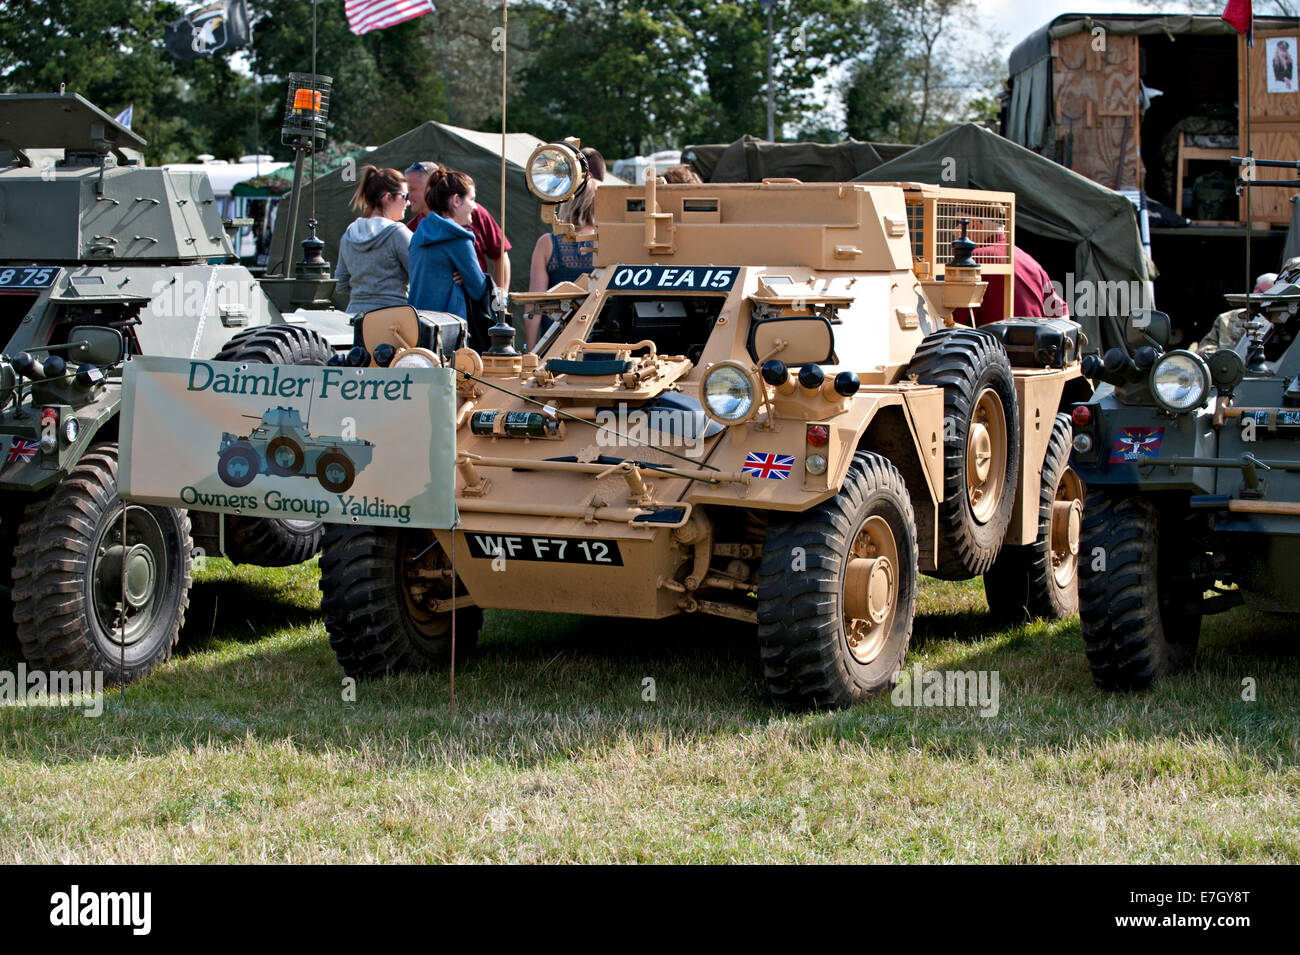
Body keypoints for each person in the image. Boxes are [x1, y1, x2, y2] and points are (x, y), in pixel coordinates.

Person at [407, 160, 512, 291]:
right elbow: (478, 288)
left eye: (412, 189)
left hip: (456, 307)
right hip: (449, 308)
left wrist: (501, 298)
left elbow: (500, 252)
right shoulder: (412, 231)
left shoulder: (476, 214)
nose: (407, 196)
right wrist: (470, 276)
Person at [408, 165, 488, 322]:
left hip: (417, 325)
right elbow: (479, 290)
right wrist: (467, 277)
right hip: (449, 329)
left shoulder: (417, 235)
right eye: (471, 199)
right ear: (456, 200)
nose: (475, 206)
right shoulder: (459, 239)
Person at [959, 212, 1069, 325]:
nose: (954, 231)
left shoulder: (973, 259)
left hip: (992, 341)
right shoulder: (1031, 262)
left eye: (957, 223)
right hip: (1034, 341)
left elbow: (952, 321)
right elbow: (1062, 315)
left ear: (973, 224)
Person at [524, 179, 598, 349]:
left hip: (554, 344)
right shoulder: (607, 243)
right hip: (598, 344)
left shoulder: (547, 243)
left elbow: (533, 304)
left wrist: (530, 352)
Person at [333, 165, 412, 315]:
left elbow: (341, 284)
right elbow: (420, 275)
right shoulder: (398, 234)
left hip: (355, 318)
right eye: (404, 196)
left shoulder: (349, 234)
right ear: (388, 197)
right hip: (393, 321)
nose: (407, 202)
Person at [1196, 272, 1278, 355]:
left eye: (1263, 292)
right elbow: (1204, 349)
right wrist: (1222, 357)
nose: (1257, 294)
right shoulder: (1227, 319)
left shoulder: (1280, 323)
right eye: (1257, 289)